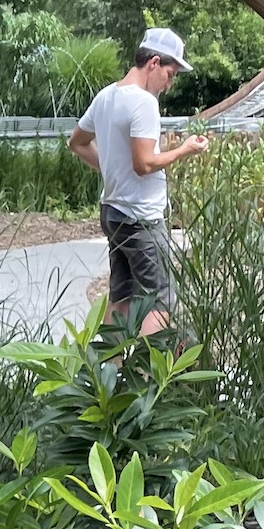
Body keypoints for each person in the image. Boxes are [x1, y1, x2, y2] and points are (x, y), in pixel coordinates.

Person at [67, 28, 209, 336]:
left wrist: (111, 169)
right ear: (154, 63)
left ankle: (103, 376)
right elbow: (144, 163)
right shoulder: (144, 102)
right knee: (159, 303)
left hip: (114, 214)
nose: (169, 84)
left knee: (121, 300)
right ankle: (148, 381)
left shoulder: (106, 96)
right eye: (170, 74)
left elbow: (76, 142)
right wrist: (184, 149)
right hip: (140, 220)